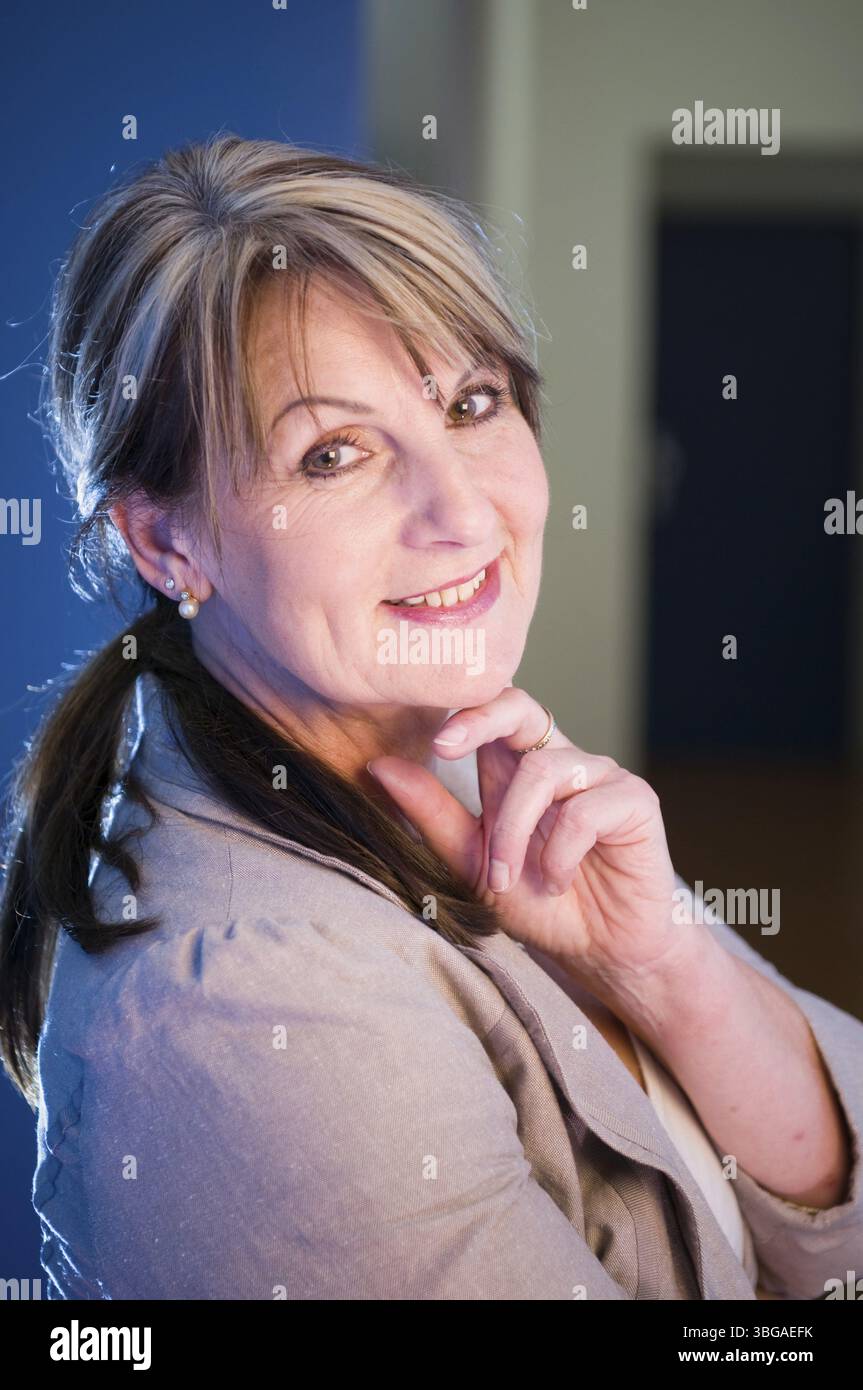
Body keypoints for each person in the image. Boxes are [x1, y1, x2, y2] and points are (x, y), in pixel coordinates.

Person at [1, 134, 860, 1301]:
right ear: (165, 539)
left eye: (470, 401)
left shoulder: (453, 757)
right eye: (333, 453)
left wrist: (662, 966)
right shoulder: (251, 1016)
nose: (460, 511)